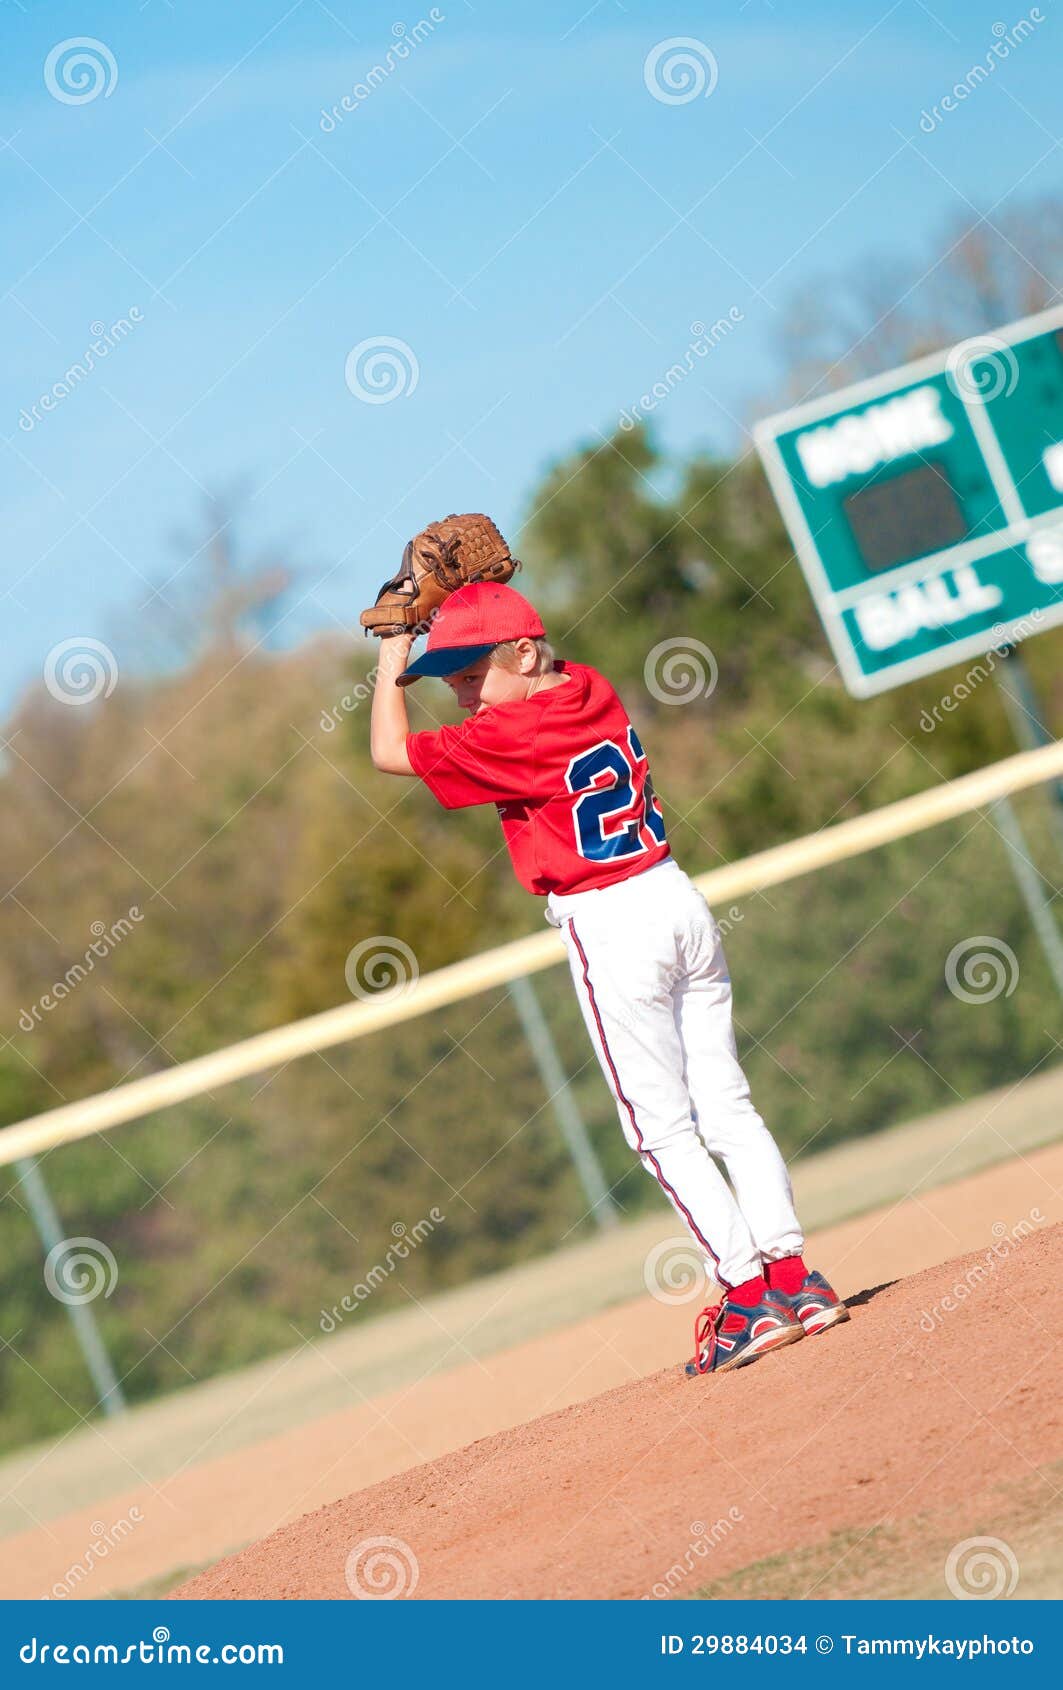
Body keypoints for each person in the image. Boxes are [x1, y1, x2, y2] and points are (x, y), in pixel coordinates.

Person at [369, 574, 849, 1374]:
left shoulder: (506, 735)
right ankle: (795, 1280)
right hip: (676, 897)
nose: (459, 693)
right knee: (726, 1105)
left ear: (524, 655)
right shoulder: (590, 687)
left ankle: (745, 1297)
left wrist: (393, 652)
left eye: (469, 674)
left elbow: (388, 752)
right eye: (448, 680)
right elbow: (541, 671)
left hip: (613, 923)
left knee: (658, 1129)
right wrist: (480, 601)